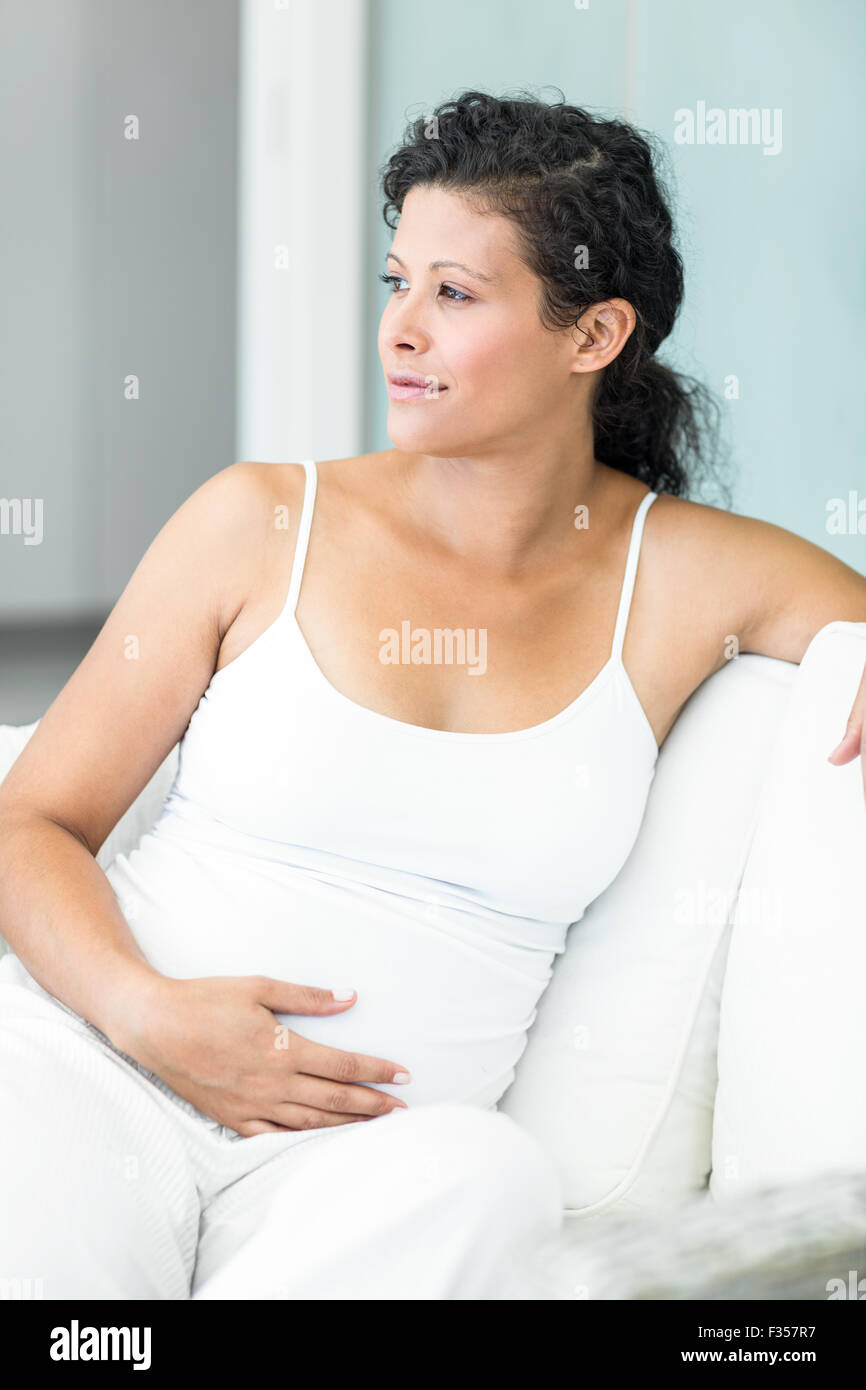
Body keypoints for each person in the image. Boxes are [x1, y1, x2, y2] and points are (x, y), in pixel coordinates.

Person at [1, 89, 864, 1301]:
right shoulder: (259, 521)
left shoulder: (684, 577)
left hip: (353, 1172)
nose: (399, 330)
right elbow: (28, 822)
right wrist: (149, 1016)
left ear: (592, 334)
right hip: (96, 1068)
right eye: (394, 282)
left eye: (453, 294)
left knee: (490, 1175)